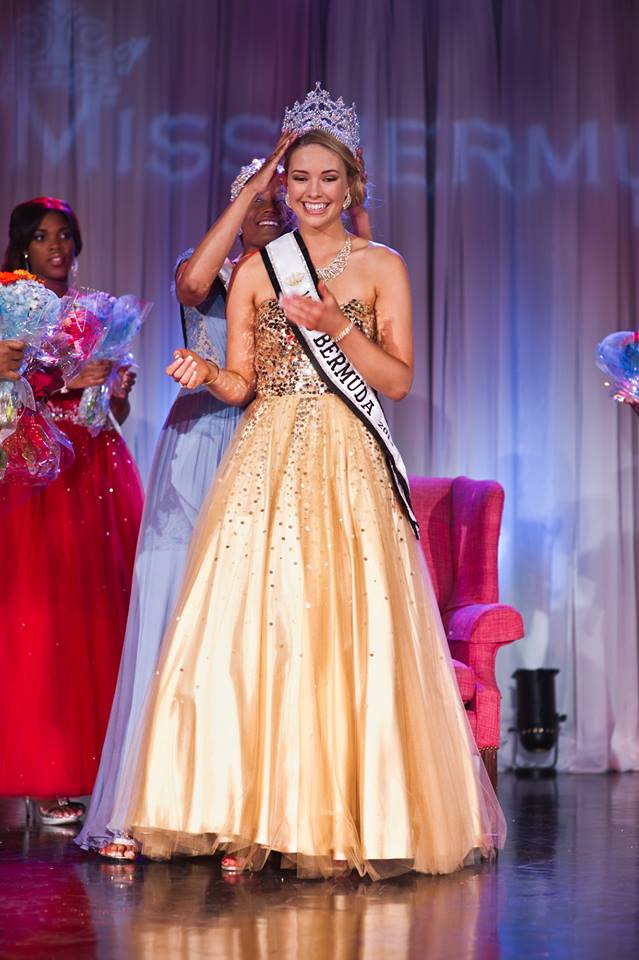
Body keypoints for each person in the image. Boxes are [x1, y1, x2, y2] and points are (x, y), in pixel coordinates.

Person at [109, 85, 506, 880]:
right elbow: (241, 385)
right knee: (254, 629)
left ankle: (342, 814)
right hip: (264, 458)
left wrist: (334, 330)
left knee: (345, 630)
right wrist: (204, 370)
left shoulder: (380, 266)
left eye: (329, 179)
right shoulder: (257, 269)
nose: (314, 193)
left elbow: (395, 381)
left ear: (352, 184)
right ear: (280, 187)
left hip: (348, 457)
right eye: (299, 180)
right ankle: (248, 812)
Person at [76, 136, 295, 856]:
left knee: (248, 619)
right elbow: (193, 288)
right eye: (257, 197)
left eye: (277, 198)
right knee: (171, 604)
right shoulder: (205, 268)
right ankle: (146, 801)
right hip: (197, 440)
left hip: (261, 443)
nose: (267, 208)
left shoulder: (294, 279)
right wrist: (248, 191)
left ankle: (243, 806)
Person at [0, 197, 144, 825]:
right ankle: (39, 773)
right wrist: (36, 377)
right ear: (21, 248)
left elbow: (111, 416)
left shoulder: (92, 313)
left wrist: (112, 392)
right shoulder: (9, 307)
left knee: (94, 619)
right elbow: (10, 399)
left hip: (93, 467)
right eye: (41, 237)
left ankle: (90, 769)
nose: (56, 246)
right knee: (37, 618)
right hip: (34, 473)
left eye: (65, 236)